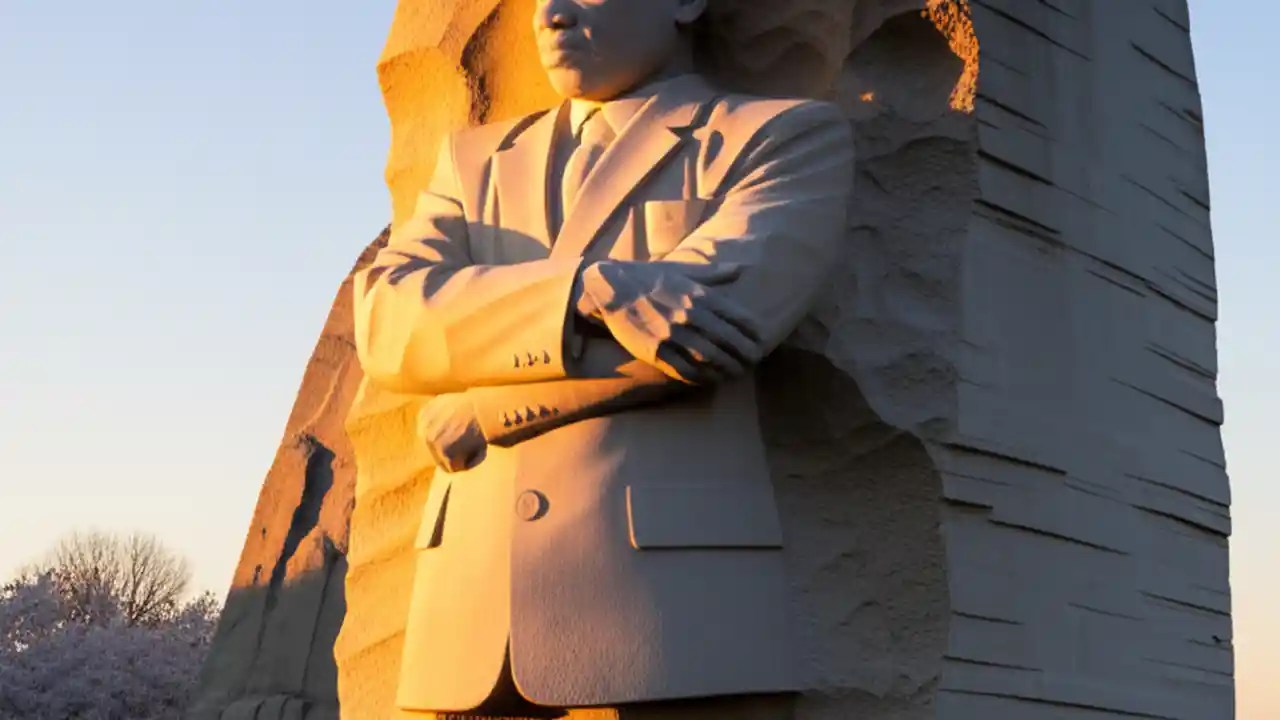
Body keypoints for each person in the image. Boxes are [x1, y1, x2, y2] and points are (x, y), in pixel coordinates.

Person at [352, 0, 854, 717]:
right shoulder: (473, 162)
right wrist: (589, 288)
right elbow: (389, 323)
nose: (550, 15)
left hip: (673, 607)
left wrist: (489, 408)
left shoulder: (775, 138)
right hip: (471, 605)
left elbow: (718, 331)